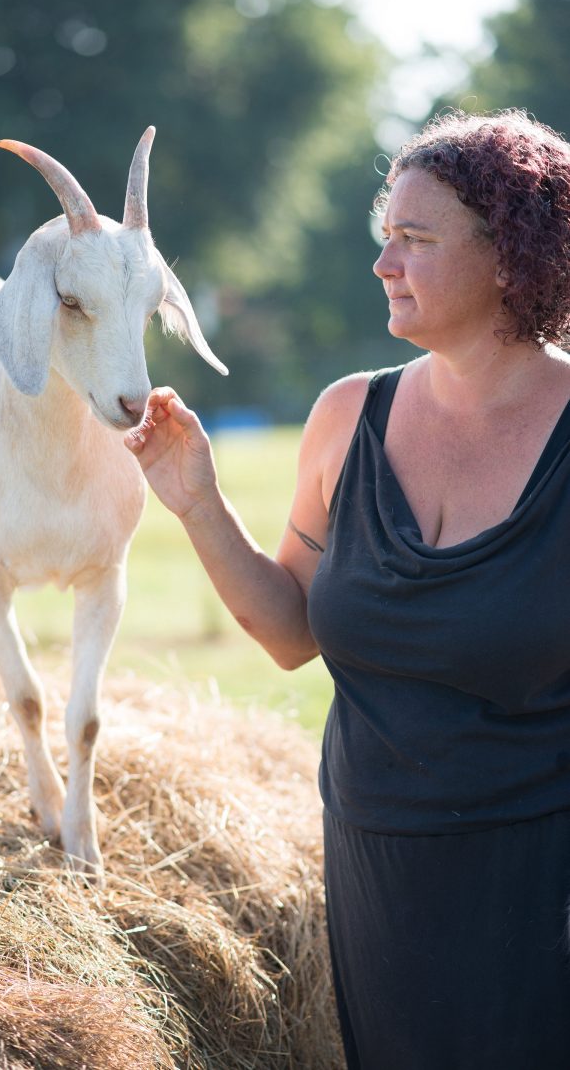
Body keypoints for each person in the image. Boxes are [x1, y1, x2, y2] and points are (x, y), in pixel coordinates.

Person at [123, 109, 570, 1070]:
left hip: (542, 891)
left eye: (416, 239)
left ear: (509, 258)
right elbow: (292, 634)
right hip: (378, 880)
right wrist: (197, 502)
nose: (383, 262)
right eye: (385, 234)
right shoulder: (346, 416)